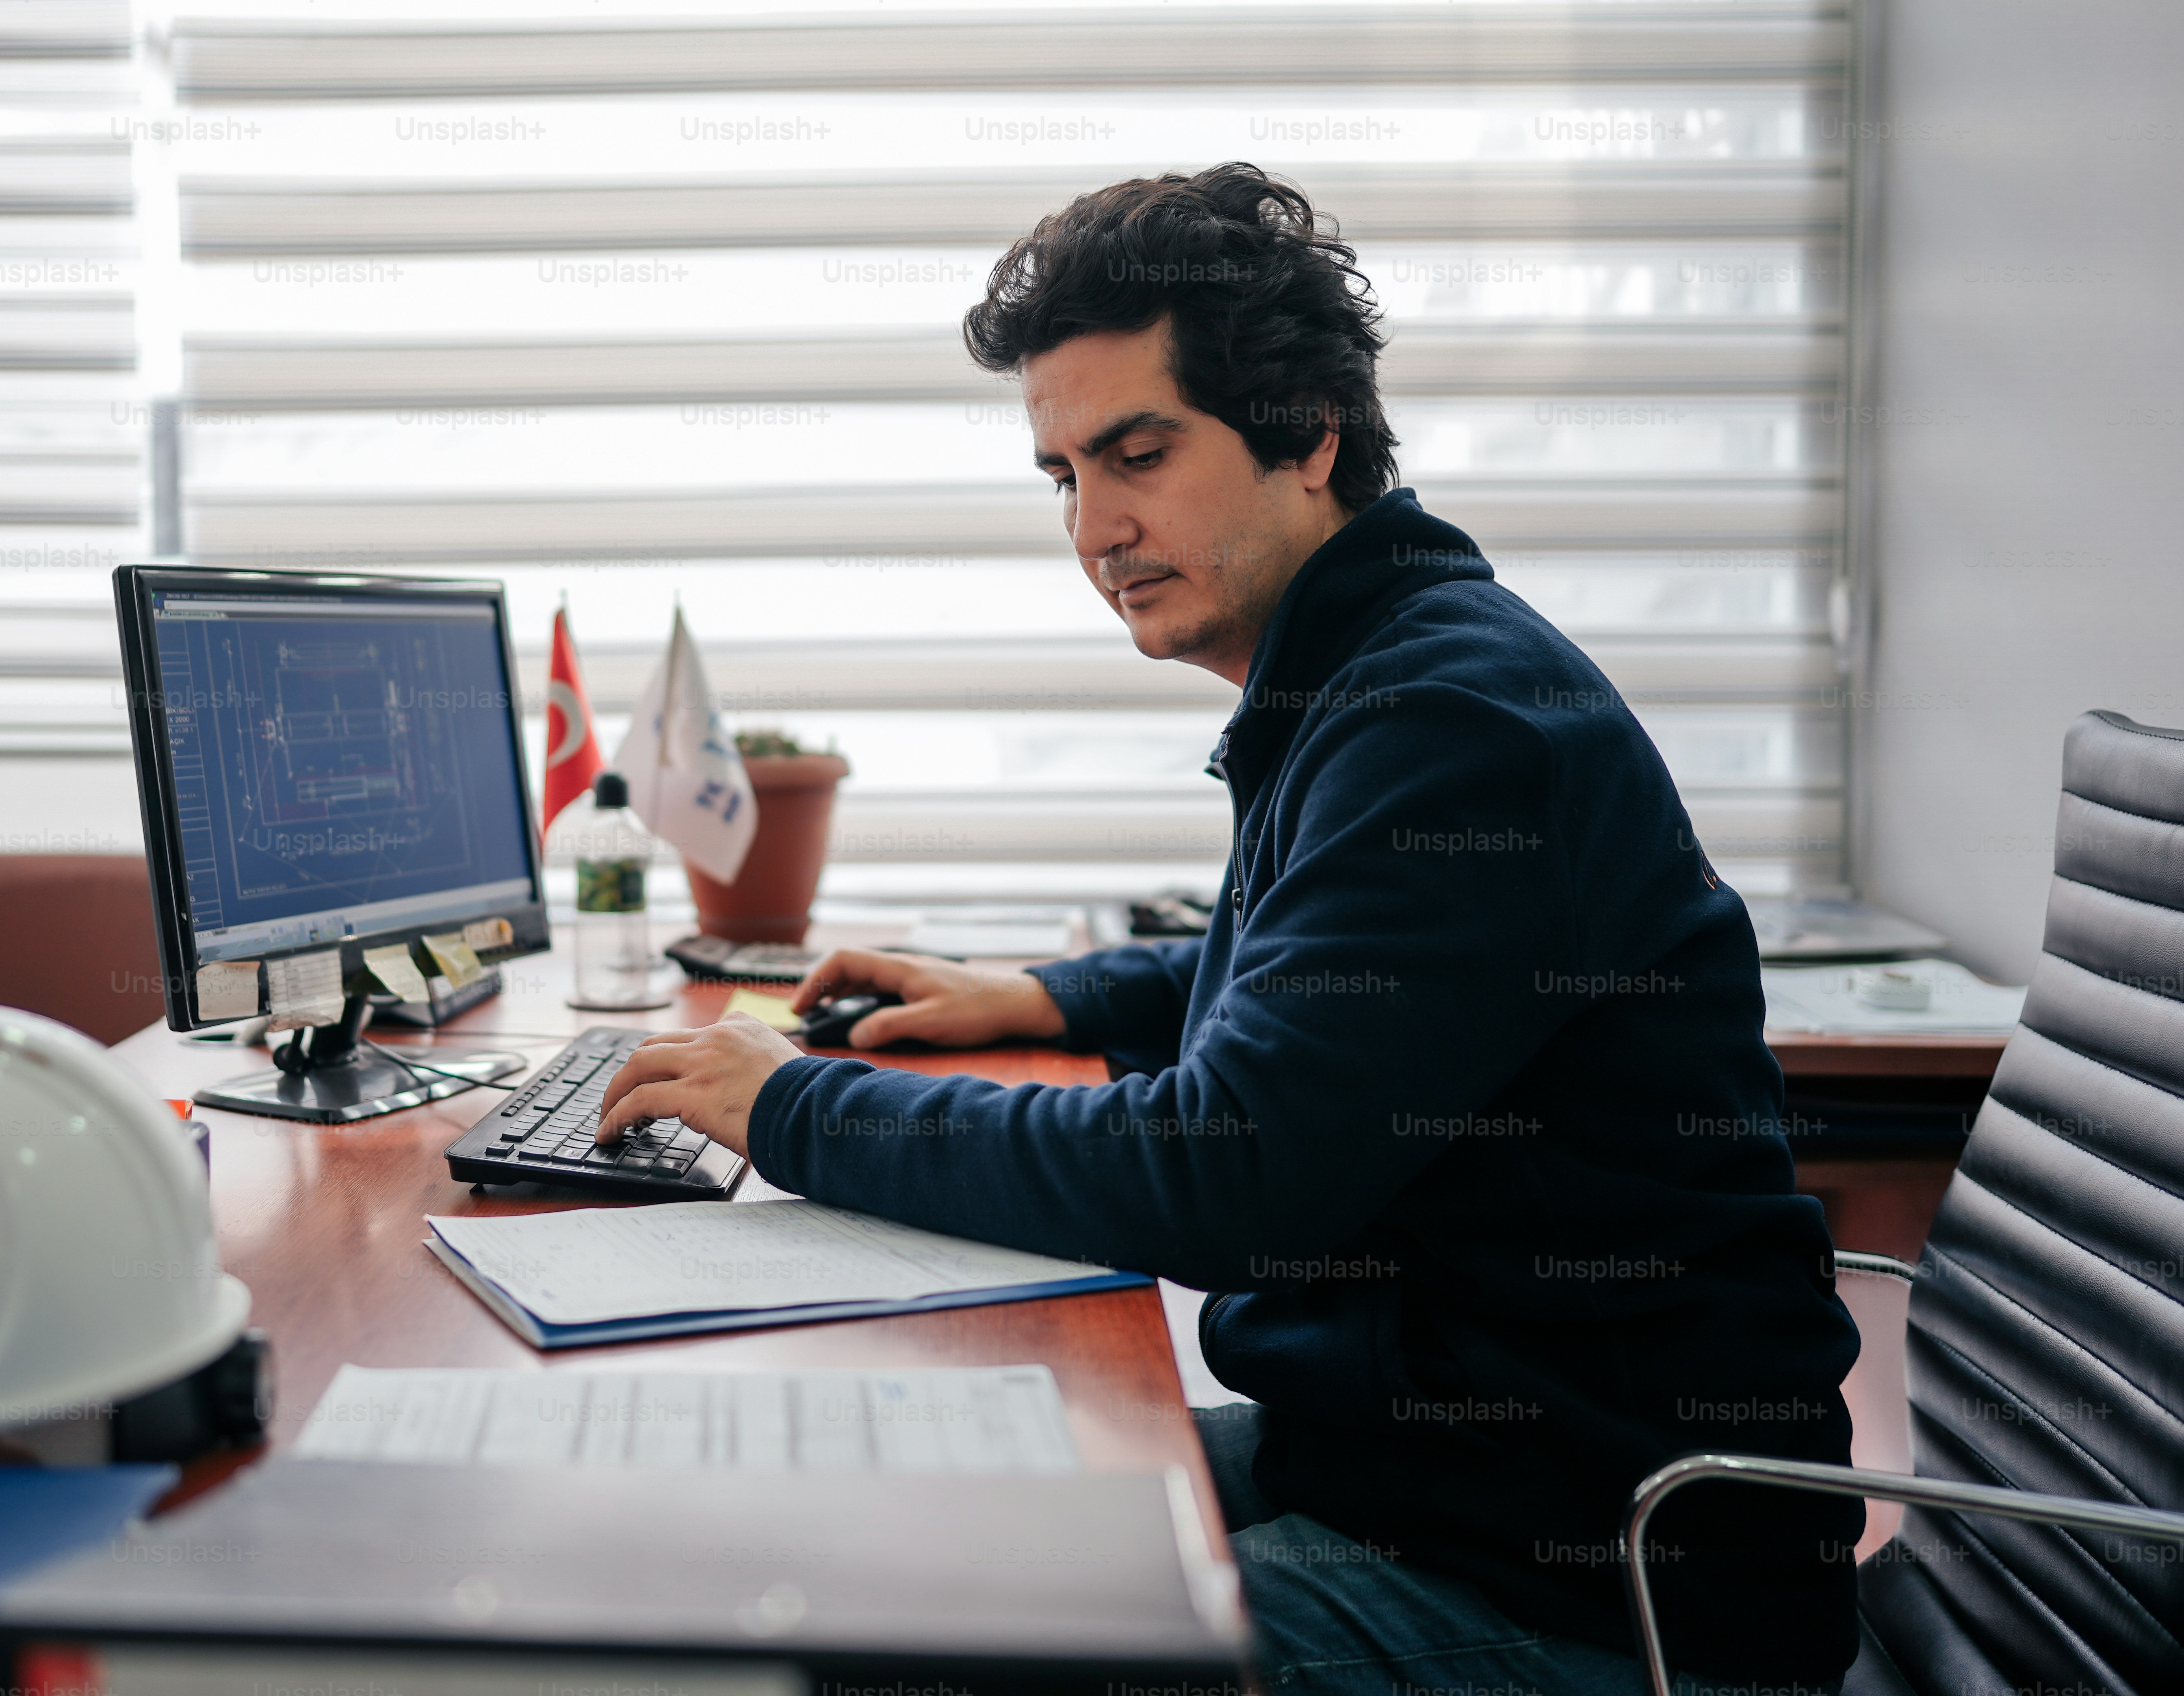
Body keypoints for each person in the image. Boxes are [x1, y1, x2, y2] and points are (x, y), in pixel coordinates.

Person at [595, 163, 1859, 1696]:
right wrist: (1047, 997)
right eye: (1063, 474)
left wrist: (797, 1104)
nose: (1097, 527)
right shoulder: (1378, 667)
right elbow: (1340, 982)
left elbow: (1231, 1171)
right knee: (890, 1525)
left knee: (899, 1644)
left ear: (1309, 433)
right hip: (1439, 1463)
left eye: (1138, 454)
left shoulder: (1447, 718)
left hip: (1604, 1584)